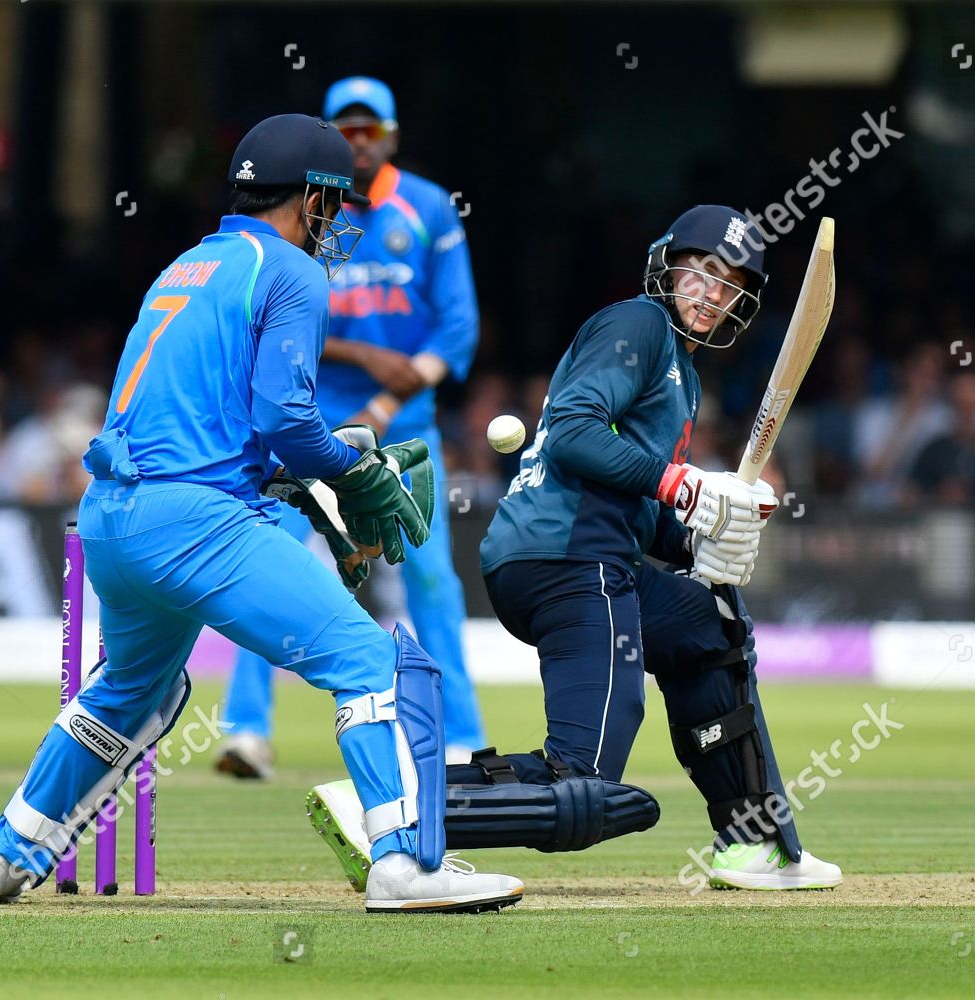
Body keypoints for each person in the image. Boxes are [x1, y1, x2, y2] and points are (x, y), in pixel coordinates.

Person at [0, 114, 522, 913]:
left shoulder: (185, 266)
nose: (340, 221)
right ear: (312, 198)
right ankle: (403, 863)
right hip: (194, 520)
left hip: (112, 518)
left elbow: (219, 418)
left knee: (130, 693)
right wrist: (352, 470)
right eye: (336, 203)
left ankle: (4, 854)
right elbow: (285, 419)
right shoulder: (292, 271)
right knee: (368, 660)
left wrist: (293, 476)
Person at [303, 206, 841, 893]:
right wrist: (682, 484)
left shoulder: (683, 372)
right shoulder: (637, 325)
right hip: (566, 559)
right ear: (668, 263)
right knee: (582, 782)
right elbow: (575, 435)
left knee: (711, 629)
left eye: (729, 283)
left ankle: (752, 842)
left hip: (589, 554)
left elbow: (638, 508)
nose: (711, 291)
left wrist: (708, 530)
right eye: (701, 270)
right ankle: (385, 807)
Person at [218, 77, 485, 779]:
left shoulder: (427, 207)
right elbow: (280, 314)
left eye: (371, 131)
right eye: (346, 131)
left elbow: (459, 326)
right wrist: (362, 353)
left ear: (391, 136)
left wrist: (392, 397)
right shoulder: (307, 209)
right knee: (263, 559)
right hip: (304, 408)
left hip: (405, 418)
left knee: (428, 573)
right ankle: (246, 730)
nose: (359, 143)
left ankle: (460, 735)